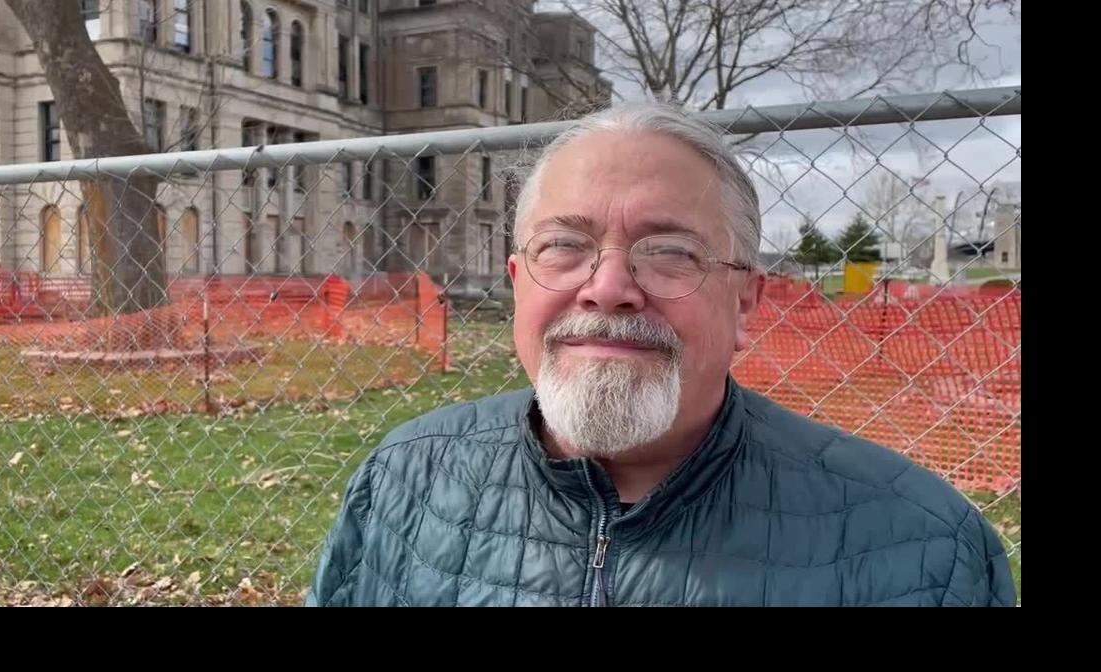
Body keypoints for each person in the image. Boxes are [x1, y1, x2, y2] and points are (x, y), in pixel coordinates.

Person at [305, 102, 1016, 607]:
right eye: (564, 246)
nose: (608, 287)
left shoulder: (923, 550)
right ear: (519, 284)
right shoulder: (402, 480)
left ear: (744, 303)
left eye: (671, 252)